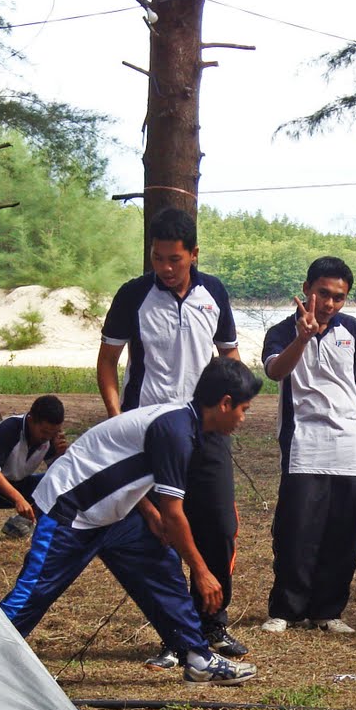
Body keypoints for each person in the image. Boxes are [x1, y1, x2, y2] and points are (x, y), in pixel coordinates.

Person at [0, 358, 261, 686]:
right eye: (244, 409)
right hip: (71, 509)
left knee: (162, 569)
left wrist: (148, 514)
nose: (243, 418)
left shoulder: (186, 424)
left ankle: (197, 658)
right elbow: (174, 513)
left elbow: (129, 468)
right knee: (34, 593)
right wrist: (202, 570)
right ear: (224, 404)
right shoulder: (177, 431)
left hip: (114, 514)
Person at [96, 207, 246, 667]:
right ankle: (173, 632)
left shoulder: (214, 292)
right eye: (158, 258)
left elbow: (230, 357)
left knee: (217, 527)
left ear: (193, 254)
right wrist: (118, 420)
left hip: (206, 431)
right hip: (150, 432)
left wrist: (233, 398)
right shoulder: (133, 296)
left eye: (174, 259)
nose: (164, 267)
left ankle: (212, 624)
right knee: (159, 532)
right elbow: (106, 364)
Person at [261, 257, 356, 633]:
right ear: (307, 289)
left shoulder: (352, 330)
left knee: (345, 532)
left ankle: (328, 611)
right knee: (295, 531)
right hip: (304, 443)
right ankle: (286, 609)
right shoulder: (283, 331)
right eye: (323, 293)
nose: (330, 303)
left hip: (350, 444)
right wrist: (303, 337)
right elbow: (275, 371)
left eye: (339, 297)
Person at [0, 394, 68, 543]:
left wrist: (60, 456)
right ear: (31, 420)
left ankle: (20, 522)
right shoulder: (10, 428)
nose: (48, 437)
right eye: (44, 432)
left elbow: (56, 472)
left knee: (59, 482)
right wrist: (19, 499)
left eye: (54, 433)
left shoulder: (50, 439)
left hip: (19, 482)